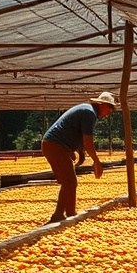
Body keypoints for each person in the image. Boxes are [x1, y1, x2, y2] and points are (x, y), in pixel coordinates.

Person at [41, 91, 117, 223]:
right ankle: (58, 215)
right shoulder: (89, 113)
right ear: (102, 105)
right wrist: (96, 161)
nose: (110, 111)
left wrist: (80, 152)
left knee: (70, 181)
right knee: (69, 181)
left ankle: (70, 213)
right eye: (110, 107)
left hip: (56, 145)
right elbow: (88, 141)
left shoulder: (87, 110)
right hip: (55, 145)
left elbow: (78, 134)